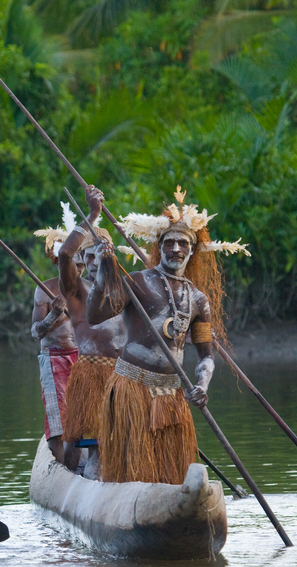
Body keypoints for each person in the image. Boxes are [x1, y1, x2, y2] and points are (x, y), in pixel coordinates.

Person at [87, 186, 249, 484]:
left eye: (183, 243)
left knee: (171, 472)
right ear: (159, 247)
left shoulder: (199, 300)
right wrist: (101, 275)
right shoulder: (137, 283)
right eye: (170, 242)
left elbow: (205, 357)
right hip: (131, 388)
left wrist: (202, 385)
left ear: (192, 249)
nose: (176, 249)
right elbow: (94, 316)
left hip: (173, 393)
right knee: (132, 470)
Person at [55, 188, 126, 478]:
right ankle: (89, 481)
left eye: (102, 253)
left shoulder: (129, 289)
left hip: (125, 377)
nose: (96, 260)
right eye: (89, 255)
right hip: (93, 375)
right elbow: (63, 253)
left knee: (127, 444)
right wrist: (93, 215)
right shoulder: (77, 291)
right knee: (95, 447)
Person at [30, 206, 81, 468]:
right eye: (72, 261)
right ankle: (62, 473)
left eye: (81, 261)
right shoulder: (46, 290)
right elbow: (35, 331)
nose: (78, 267)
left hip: (84, 358)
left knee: (84, 422)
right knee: (58, 426)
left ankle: (81, 470)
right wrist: (54, 315)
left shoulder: (89, 288)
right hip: (54, 359)